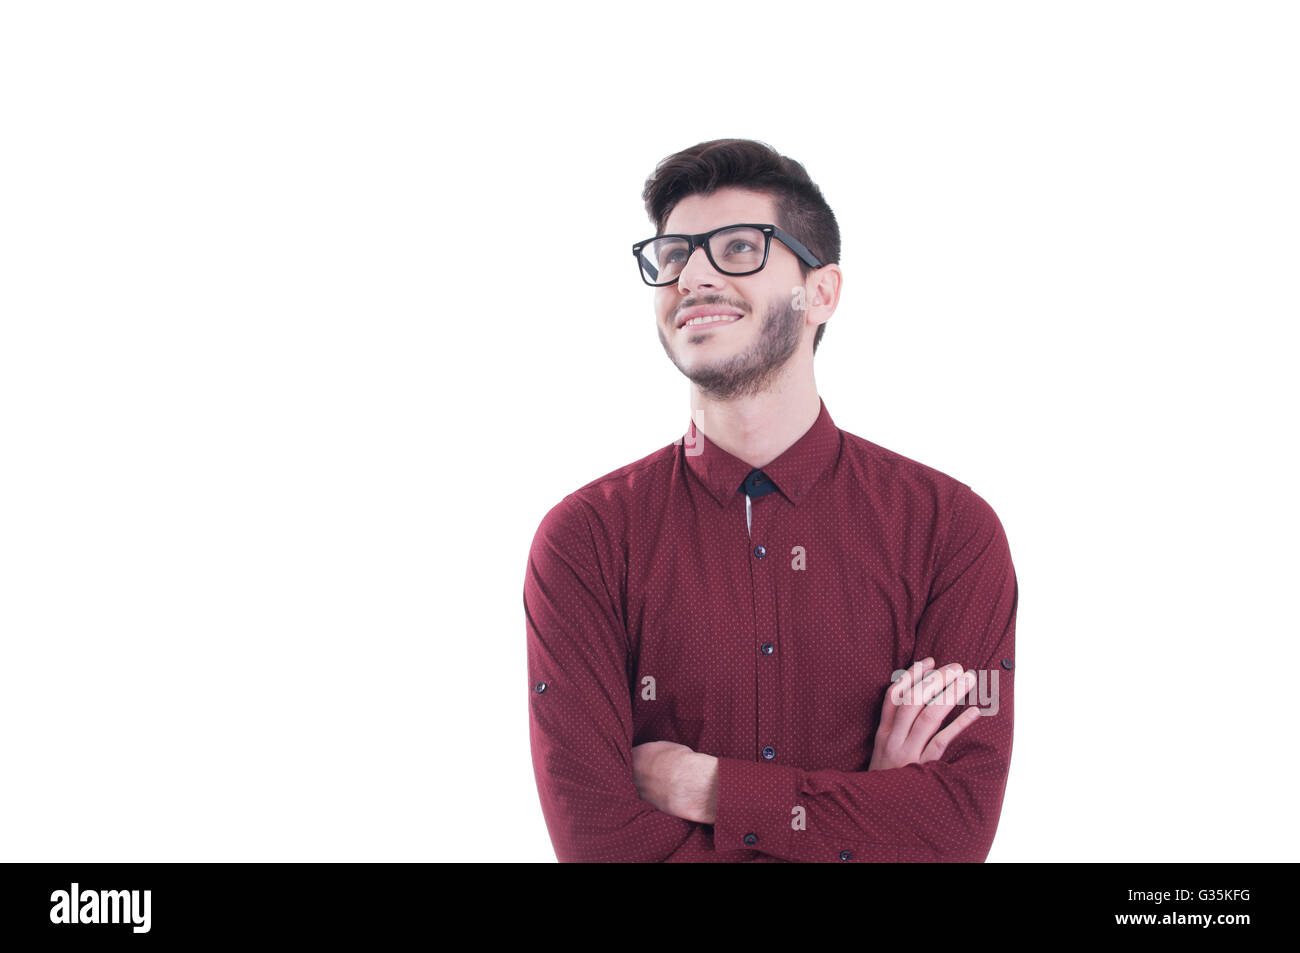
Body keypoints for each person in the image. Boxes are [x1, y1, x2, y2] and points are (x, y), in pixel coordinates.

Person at [524, 138, 1018, 862]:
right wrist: (864, 812)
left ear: (820, 292)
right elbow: (600, 843)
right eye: (673, 256)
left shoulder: (953, 534)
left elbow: (952, 830)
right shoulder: (584, 542)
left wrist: (715, 788)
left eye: (737, 248)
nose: (691, 274)